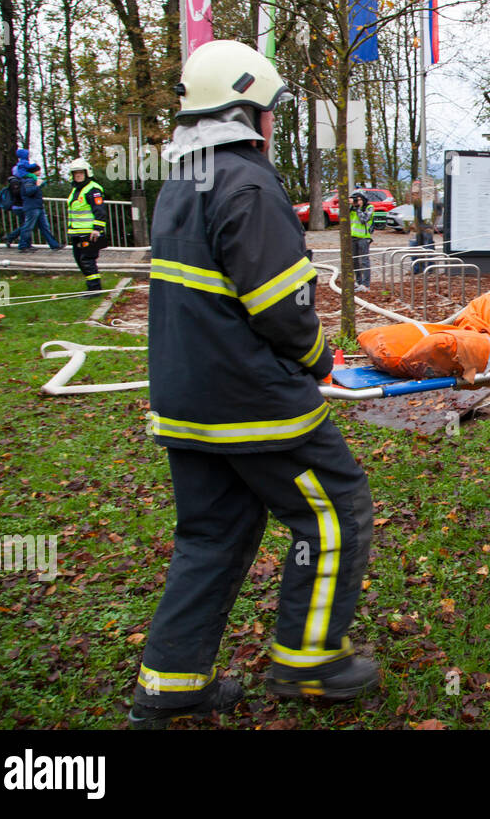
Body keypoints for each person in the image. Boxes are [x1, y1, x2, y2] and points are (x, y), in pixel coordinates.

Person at [130, 40, 376, 728]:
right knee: (333, 510)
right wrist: (319, 357)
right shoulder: (243, 177)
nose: (272, 124)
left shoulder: (183, 179)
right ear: (245, 109)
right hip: (250, 401)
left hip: (186, 401)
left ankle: (171, 684)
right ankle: (310, 659)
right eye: (268, 111)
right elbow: (281, 306)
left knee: (213, 533)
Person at [65, 158, 107, 292]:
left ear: (87, 173)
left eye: (80, 173)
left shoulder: (92, 189)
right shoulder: (76, 189)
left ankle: (94, 289)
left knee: (87, 260)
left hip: (90, 233)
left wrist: (97, 229)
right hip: (77, 232)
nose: (78, 175)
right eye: (75, 173)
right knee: (80, 260)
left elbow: (100, 211)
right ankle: (92, 285)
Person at [15, 158, 63, 253]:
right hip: (32, 207)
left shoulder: (31, 179)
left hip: (37, 206)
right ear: (34, 171)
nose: (40, 172)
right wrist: (38, 185)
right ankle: (23, 245)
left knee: (44, 227)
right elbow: (29, 192)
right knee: (28, 226)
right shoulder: (29, 180)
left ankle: (54, 245)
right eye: (38, 170)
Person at [350, 191, 373, 291]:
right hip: (353, 237)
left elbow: (364, 219)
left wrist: (357, 208)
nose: (357, 202)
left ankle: (366, 284)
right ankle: (358, 281)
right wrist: (351, 206)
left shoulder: (369, 208)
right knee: (355, 261)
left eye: (359, 199)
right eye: (356, 199)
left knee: (364, 261)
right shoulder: (352, 209)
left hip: (364, 238)